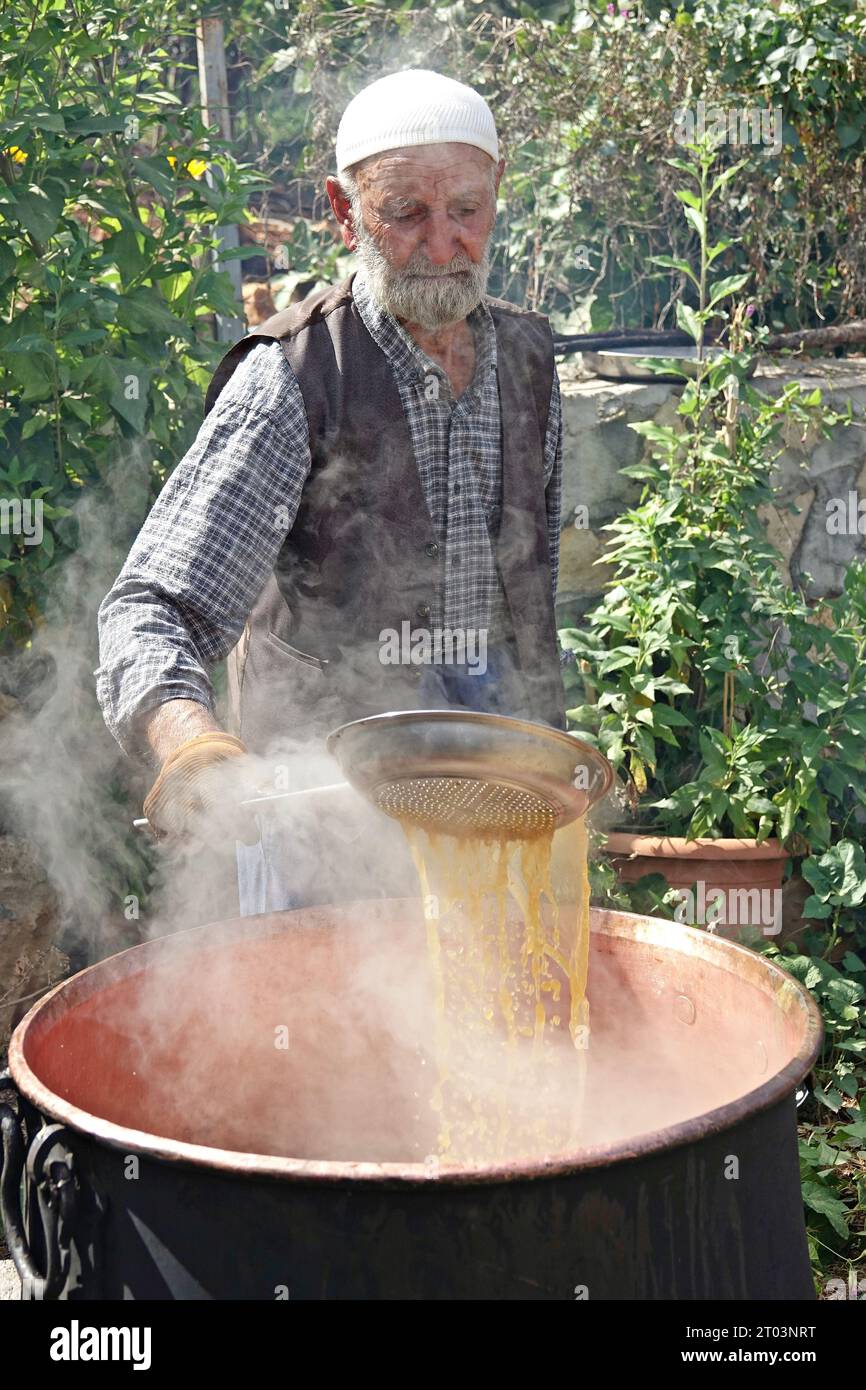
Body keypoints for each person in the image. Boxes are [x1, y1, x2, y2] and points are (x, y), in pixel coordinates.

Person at [96, 68, 566, 915]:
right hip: (326, 824)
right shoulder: (293, 378)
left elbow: (531, 598)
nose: (442, 243)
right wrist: (192, 746)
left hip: (498, 801)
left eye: (465, 210)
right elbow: (151, 604)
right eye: (405, 214)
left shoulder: (530, 362)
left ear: (498, 194)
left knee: (491, 1029)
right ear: (345, 212)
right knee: (332, 1035)